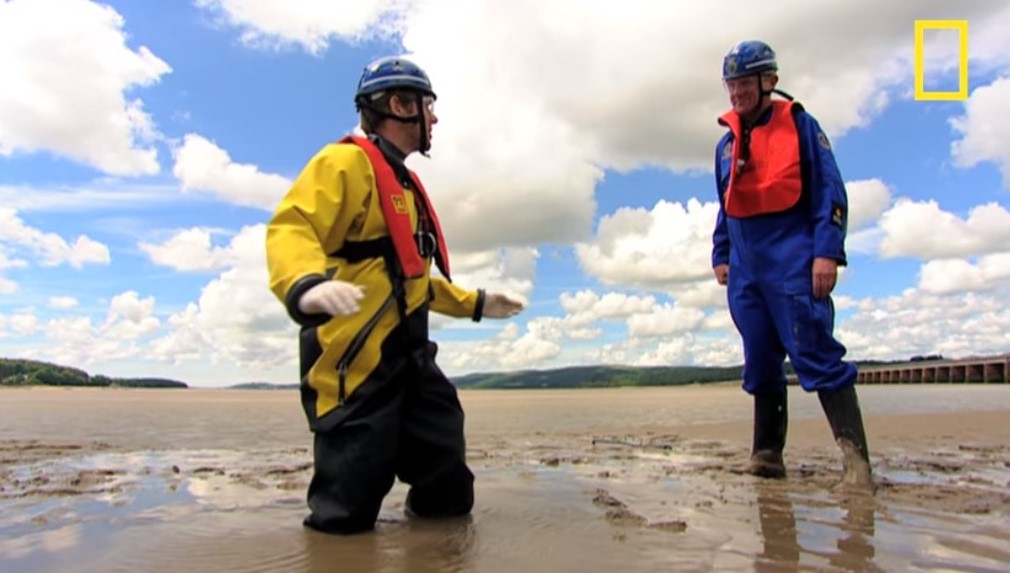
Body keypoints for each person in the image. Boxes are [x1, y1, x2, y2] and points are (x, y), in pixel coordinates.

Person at [265, 55, 526, 534]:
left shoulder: (403, 183)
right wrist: (306, 285)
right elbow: (293, 225)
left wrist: (476, 303)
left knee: (446, 479)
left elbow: (413, 277)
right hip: (355, 364)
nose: (434, 118)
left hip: (411, 360)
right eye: (428, 105)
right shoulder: (343, 162)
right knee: (345, 510)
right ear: (399, 104)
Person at [710, 40, 873, 489]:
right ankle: (766, 455)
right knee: (759, 360)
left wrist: (827, 251)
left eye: (744, 82)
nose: (736, 93)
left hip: (793, 260)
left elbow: (830, 192)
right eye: (731, 84)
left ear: (769, 82)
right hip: (746, 269)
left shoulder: (801, 127)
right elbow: (725, 207)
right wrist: (721, 254)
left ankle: (856, 464)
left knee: (815, 354)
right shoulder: (725, 147)